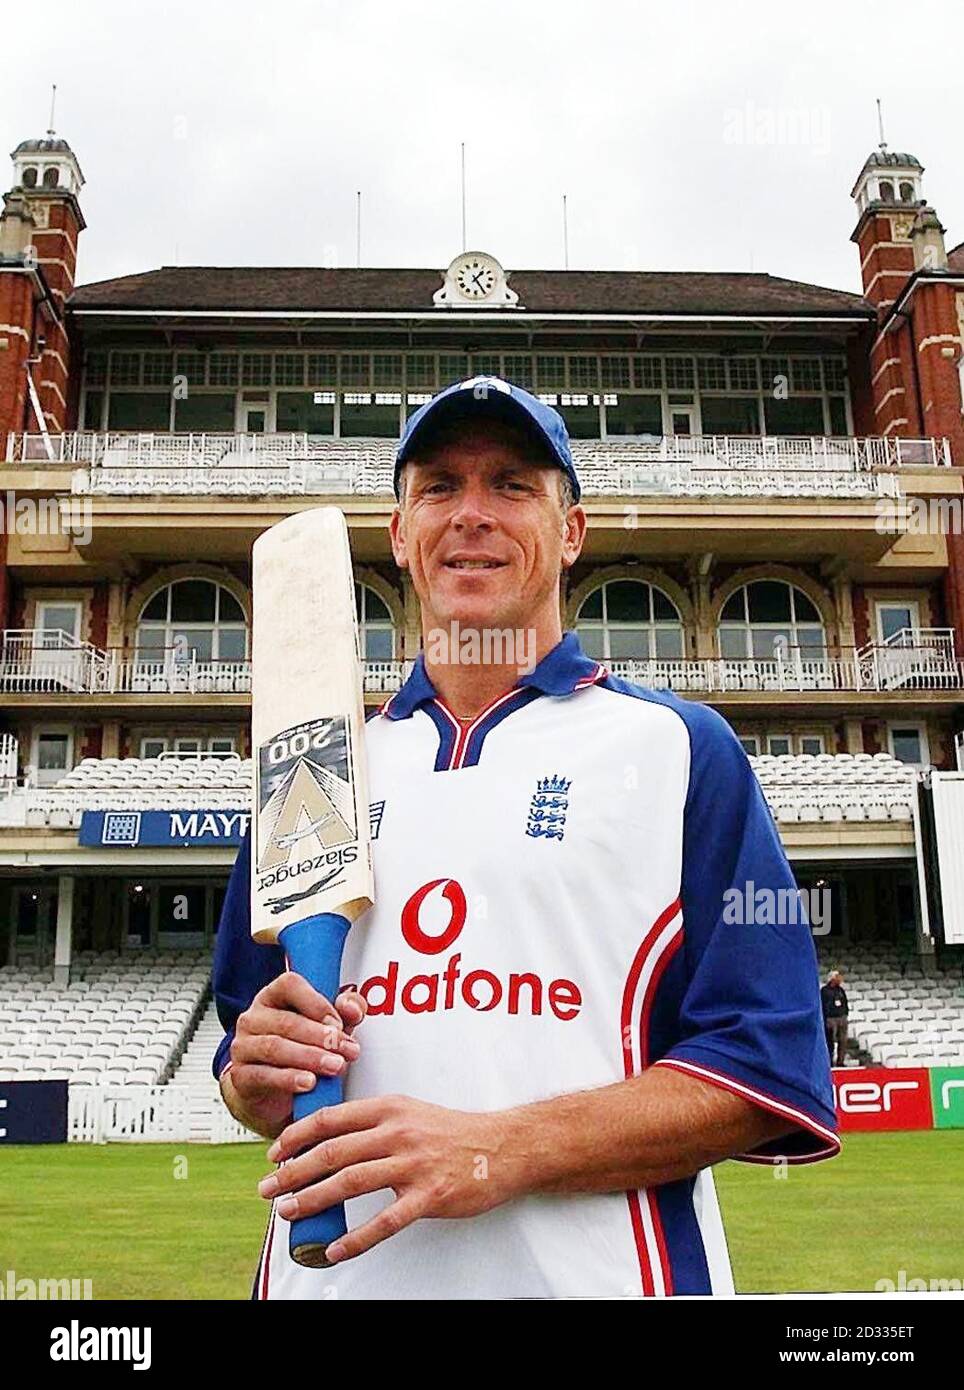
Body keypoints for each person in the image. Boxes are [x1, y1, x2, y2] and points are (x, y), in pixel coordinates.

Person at [213, 376, 838, 1299]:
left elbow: (763, 1066)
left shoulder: (681, 749)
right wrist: (255, 1079)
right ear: (399, 534)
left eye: (511, 485)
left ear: (572, 531)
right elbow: (245, 1055)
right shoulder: (313, 770)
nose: (472, 515)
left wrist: (493, 1150)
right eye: (438, 487)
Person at [821, 969, 850, 1067]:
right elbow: (822, 1005)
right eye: (837, 976)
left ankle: (840, 1061)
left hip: (841, 1018)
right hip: (830, 1019)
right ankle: (829, 1061)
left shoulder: (841, 990)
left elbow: (845, 1002)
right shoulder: (824, 991)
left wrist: (845, 1013)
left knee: (843, 1041)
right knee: (830, 1041)